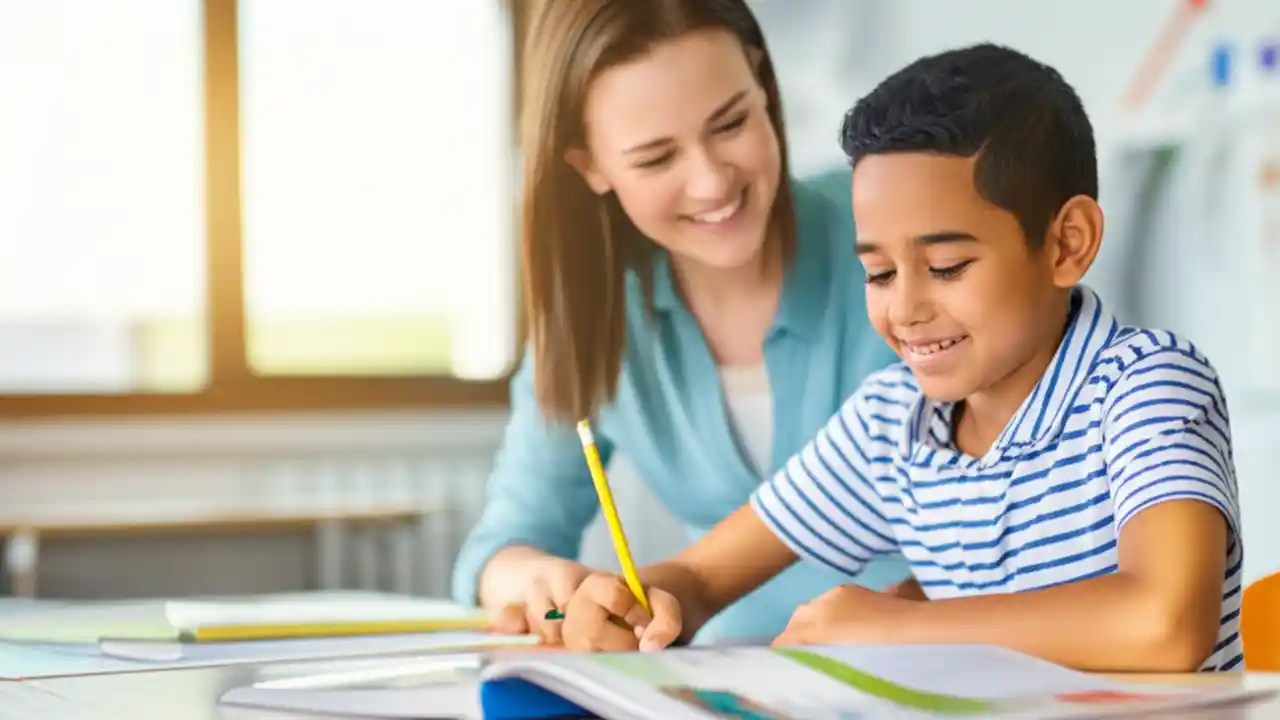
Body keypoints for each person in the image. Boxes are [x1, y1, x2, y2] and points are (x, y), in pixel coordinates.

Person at [559, 43, 1244, 673]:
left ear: (1067, 243)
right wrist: (639, 600)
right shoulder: (892, 423)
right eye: (880, 275)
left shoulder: (1145, 385)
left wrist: (900, 626)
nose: (906, 309)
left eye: (946, 266)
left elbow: (1165, 623)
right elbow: (703, 578)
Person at [451, 0, 910, 645]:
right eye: (656, 158)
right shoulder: (597, 314)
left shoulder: (900, 232)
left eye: (730, 124)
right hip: (715, 683)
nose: (711, 182)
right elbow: (507, 539)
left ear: (761, 82)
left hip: (928, 666)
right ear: (591, 168)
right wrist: (532, 579)